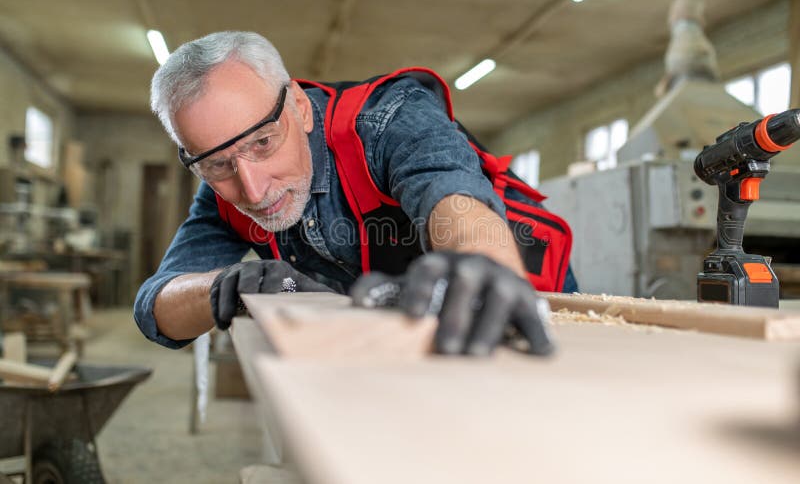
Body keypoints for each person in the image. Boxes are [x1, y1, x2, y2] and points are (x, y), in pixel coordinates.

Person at [135, 31, 567, 356]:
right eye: (217, 164)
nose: (252, 189)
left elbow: (451, 193)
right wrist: (220, 287)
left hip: (525, 307)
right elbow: (156, 308)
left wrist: (478, 260)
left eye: (263, 143)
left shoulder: (387, 120)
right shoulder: (222, 188)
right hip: (409, 339)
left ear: (299, 108)